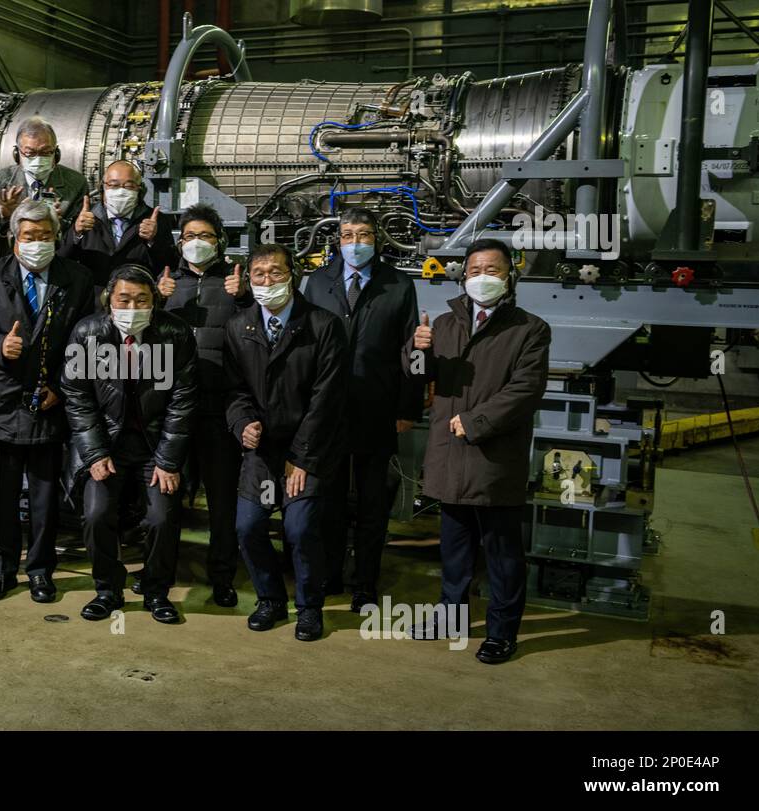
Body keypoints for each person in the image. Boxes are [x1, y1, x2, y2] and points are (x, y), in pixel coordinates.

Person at [404, 238, 550, 664]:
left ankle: (503, 632)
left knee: (502, 553)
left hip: (493, 458)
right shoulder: (445, 325)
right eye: (474, 270)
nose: (482, 277)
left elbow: (525, 390)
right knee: (454, 547)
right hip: (450, 457)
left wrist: (475, 422)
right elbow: (416, 376)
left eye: (493, 270)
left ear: (510, 277)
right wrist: (418, 350)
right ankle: (450, 618)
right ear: (463, 276)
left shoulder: (530, 329)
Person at [0, 199, 94, 604]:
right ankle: (0, 570)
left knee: (45, 499)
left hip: (50, 404)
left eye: (45, 236)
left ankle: (40, 570)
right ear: (15, 237)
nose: (37, 242)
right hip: (0, 404)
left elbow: (86, 338)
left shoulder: (76, 278)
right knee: (0, 498)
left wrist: (62, 383)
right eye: (28, 236)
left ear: (56, 237)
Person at [61, 265, 198, 624]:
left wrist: (168, 460)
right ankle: (107, 590)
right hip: (107, 447)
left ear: (155, 302)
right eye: (124, 299)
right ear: (109, 299)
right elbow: (77, 396)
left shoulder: (174, 333)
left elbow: (183, 399)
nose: (132, 307)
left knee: (161, 517)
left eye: (142, 299)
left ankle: (156, 592)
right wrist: (94, 453)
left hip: (156, 448)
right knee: (96, 514)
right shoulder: (88, 333)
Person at [301, 207, 422, 612]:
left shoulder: (398, 285)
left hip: (378, 410)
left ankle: (365, 583)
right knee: (330, 502)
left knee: (372, 504)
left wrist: (408, 407)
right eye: (348, 234)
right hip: (328, 412)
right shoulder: (317, 283)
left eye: (364, 235)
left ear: (377, 239)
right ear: (337, 239)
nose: (356, 243)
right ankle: (330, 573)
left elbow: (410, 352)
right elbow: (304, 347)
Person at [224, 244, 345, 642]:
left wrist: (303, 458)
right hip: (262, 452)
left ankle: (310, 608)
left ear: (292, 275)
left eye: (276, 273)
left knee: (300, 528)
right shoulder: (239, 327)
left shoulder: (323, 326)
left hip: (305, 451)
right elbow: (235, 389)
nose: (267, 281)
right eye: (259, 274)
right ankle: (270, 599)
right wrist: (243, 422)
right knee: (249, 526)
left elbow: (326, 399)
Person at [158, 203, 253, 607]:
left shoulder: (235, 284)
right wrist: (157, 302)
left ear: (221, 241)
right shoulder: (165, 285)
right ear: (180, 243)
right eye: (190, 237)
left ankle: (222, 577)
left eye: (206, 236)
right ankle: (159, 573)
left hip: (219, 410)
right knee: (166, 500)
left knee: (221, 501)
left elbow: (259, 331)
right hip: (172, 412)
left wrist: (246, 297)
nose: (197, 243)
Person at [0, 117, 87, 253]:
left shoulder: (75, 183)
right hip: (9, 264)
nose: (38, 159)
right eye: (30, 153)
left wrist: (58, 224)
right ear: (17, 154)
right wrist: (3, 217)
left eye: (46, 152)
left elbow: (81, 237)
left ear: (56, 153)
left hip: (57, 261)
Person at [60, 159, 177, 291]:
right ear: (102, 188)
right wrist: (76, 233)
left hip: (135, 301)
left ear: (140, 190)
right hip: (93, 303)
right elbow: (63, 260)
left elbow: (169, 265)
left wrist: (153, 241)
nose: (121, 191)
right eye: (113, 185)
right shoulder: (84, 217)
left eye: (129, 186)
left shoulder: (156, 220)